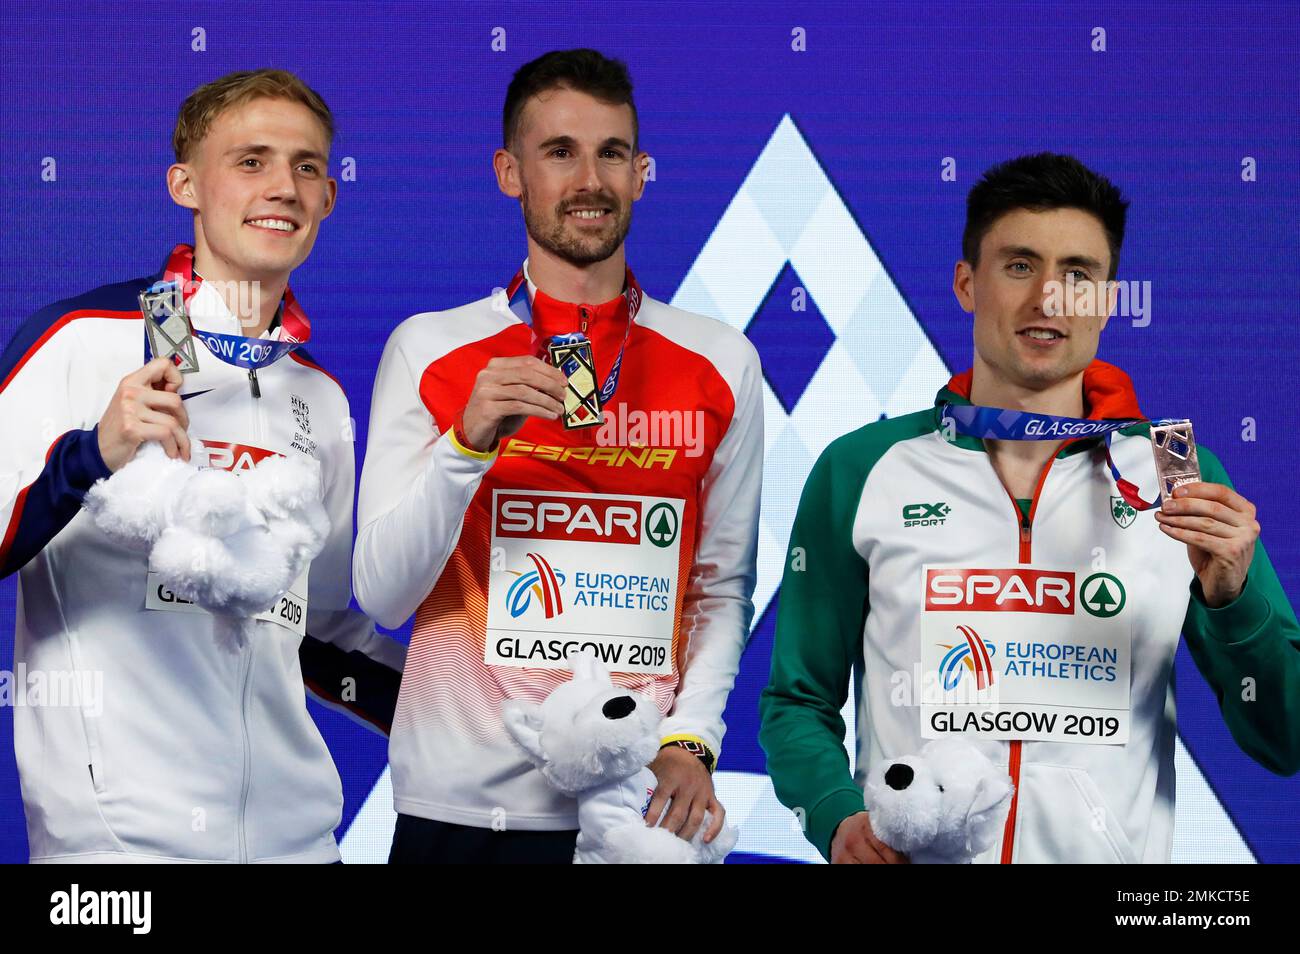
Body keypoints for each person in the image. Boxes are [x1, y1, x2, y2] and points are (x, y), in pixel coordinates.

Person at [760, 152, 1300, 864]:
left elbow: (1285, 741)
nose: (1051, 298)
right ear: (966, 283)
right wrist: (837, 816)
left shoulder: (1173, 472)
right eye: (1019, 265)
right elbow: (796, 699)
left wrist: (1231, 602)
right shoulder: (862, 470)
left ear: (1108, 300)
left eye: (1080, 275)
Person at [354, 48, 763, 863]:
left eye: (613, 153)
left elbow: (719, 588)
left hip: (636, 808)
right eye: (560, 152)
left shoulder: (720, 360)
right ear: (510, 172)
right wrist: (465, 446)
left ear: (642, 173)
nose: (590, 180)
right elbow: (382, 594)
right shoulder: (432, 350)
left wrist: (692, 739)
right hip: (461, 808)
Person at [0, 69, 403, 862]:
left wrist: (487, 716)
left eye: (307, 167)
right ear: (185, 183)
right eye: (250, 161)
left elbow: (319, 629)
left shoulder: (317, 397)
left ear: (328, 198)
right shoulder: (83, 337)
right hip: (119, 851)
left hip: (301, 844)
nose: (283, 186)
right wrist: (92, 453)